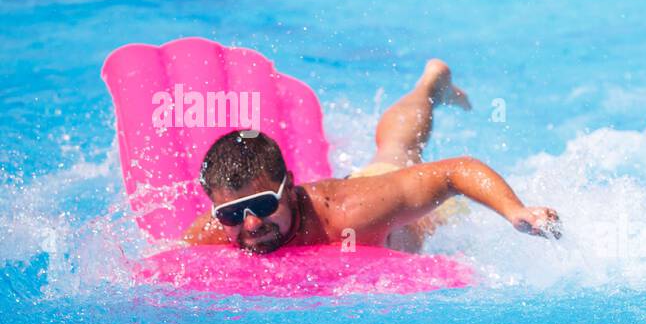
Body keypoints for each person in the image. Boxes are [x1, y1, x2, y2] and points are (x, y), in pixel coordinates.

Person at [182, 59, 559, 253]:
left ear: (290, 186)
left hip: (410, 222)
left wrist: (517, 212)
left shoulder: (355, 212)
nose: (249, 225)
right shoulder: (215, 233)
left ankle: (430, 84)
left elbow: (456, 172)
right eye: (232, 213)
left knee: (398, 151)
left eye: (263, 205)